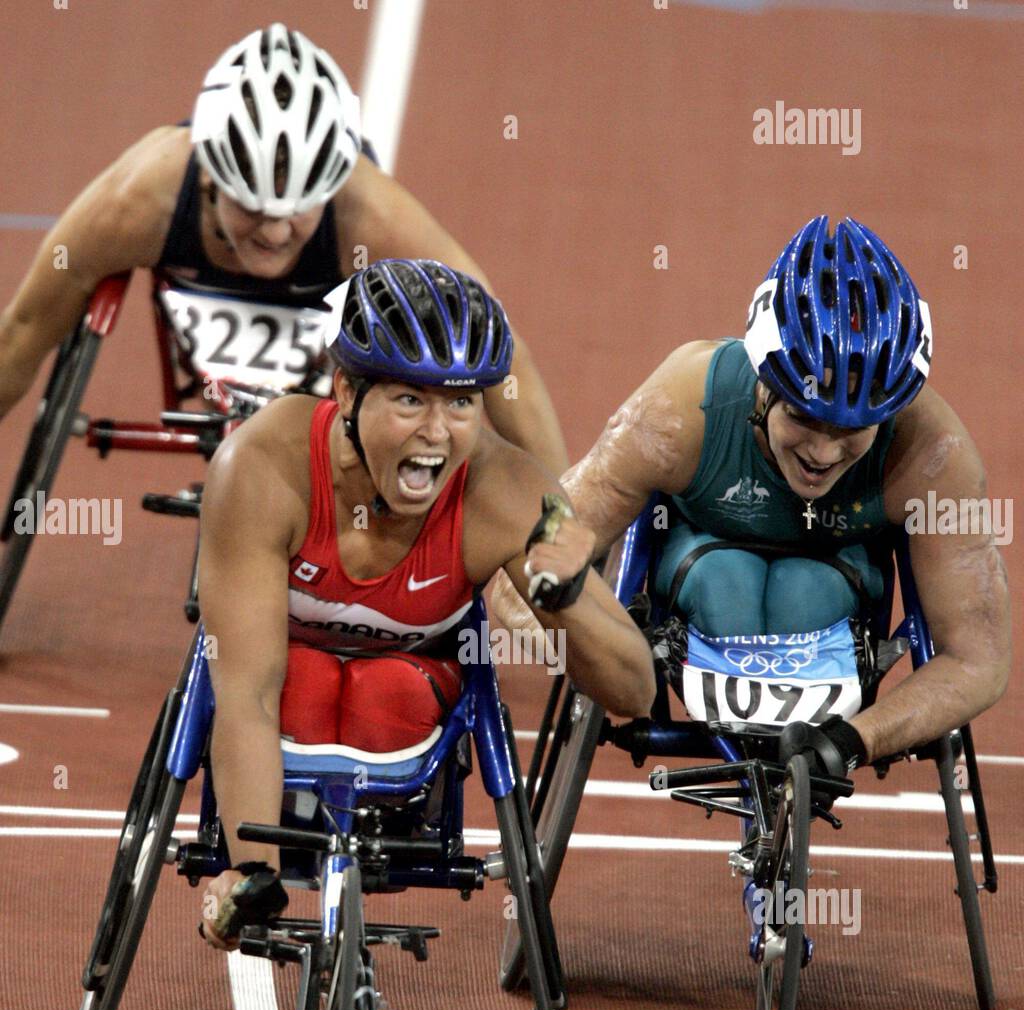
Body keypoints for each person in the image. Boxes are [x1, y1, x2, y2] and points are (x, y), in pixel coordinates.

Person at [197, 258, 656, 947]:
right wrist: (252, 872)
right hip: (285, 687)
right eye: (411, 400)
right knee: (308, 683)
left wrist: (565, 600)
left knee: (387, 695)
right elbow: (248, 695)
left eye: (462, 403)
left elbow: (636, 689)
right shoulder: (263, 468)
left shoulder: (508, 494)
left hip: (409, 697)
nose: (439, 432)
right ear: (346, 391)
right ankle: (290, 825)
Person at [493, 215, 1010, 776]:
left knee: (803, 590)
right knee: (727, 581)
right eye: (804, 417)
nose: (823, 451)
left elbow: (978, 659)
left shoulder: (934, 455)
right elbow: (516, 573)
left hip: (835, 622)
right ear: (763, 382)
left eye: (852, 431)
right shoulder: (676, 412)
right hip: (700, 597)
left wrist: (855, 739)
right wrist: (611, 656)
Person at [0, 24, 566, 468]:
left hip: (323, 300)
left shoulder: (370, 214)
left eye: (297, 209)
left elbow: (500, 349)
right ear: (208, 181)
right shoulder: (140, 198)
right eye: (253, 207)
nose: (273, 232)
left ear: (332, 188)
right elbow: (21, 333)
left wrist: (565, 515)